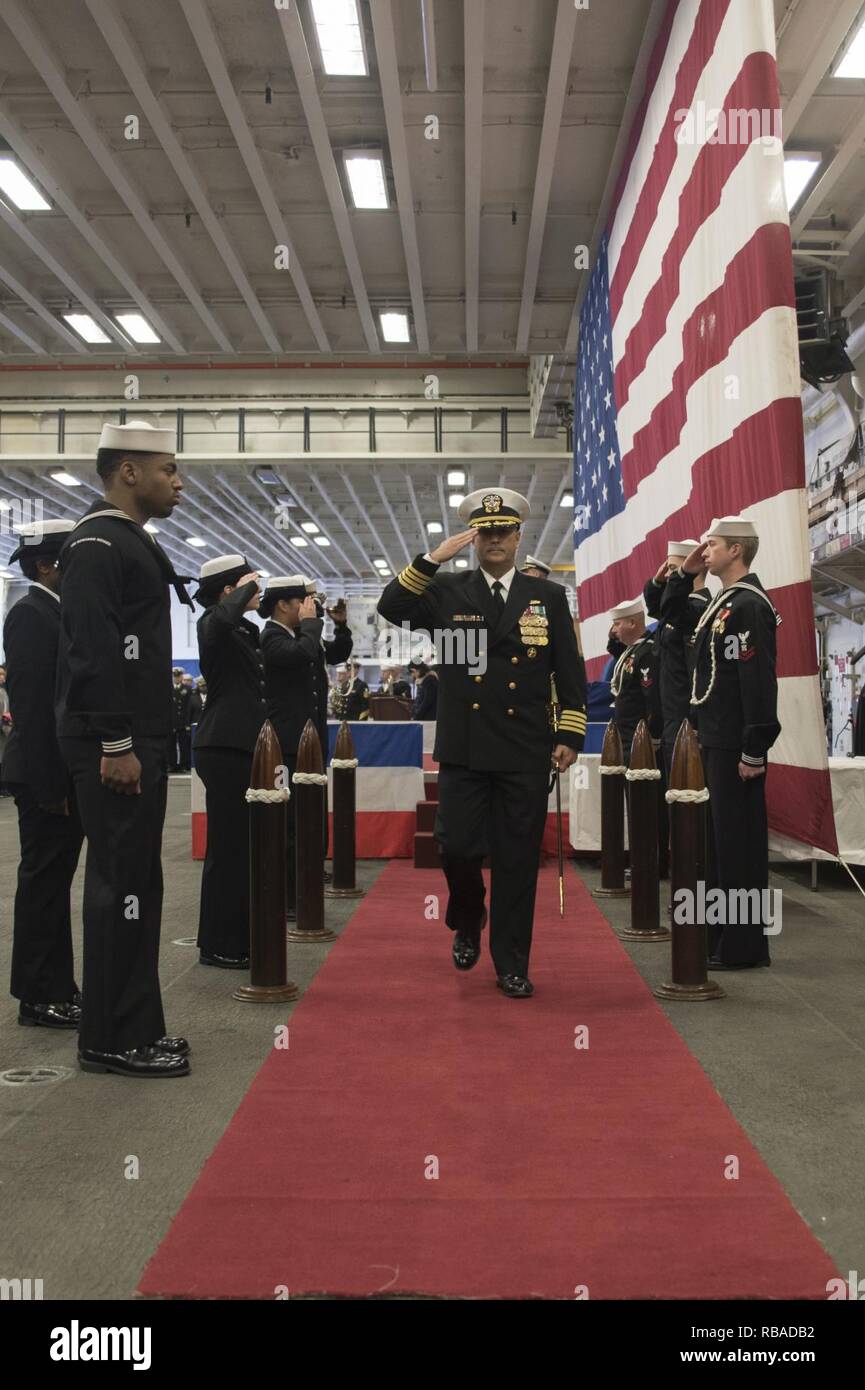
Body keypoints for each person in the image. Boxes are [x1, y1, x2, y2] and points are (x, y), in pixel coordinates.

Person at [378, 487, 587, 998]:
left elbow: (568, 668)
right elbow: (392, 605)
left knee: (517, 859)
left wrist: (569, 733)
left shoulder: (547, 597)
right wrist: (432, 559)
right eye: (485, 532)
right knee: (456, 846)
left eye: (503, 531)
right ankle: (469, 917)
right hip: (465, 746)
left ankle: (512, 962)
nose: (495, 539)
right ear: (474, 539)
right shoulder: (447, 590)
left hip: (524, 747)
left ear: (518, 537)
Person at [55, 418, 192, 1079]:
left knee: (137, 883)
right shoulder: (97, 542)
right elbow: (93, 650)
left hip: (137, 738)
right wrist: (116, 742)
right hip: (118, 744)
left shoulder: (123, 540)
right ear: (129, 472)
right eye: (168, 469)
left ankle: (134, 1025)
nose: (178, 482)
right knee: (120, 887)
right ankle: (112, 1038)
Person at [671, 517, 781, 970]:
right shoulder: (723, 603)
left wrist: (754, 748)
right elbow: (671, 614)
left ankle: (744, 947)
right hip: (715, 739)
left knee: (740, 849)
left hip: (736, 745)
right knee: (718, 848)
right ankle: (721, 939)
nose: (705, 551)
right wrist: (685, 574)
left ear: (736, 550)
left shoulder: (749, 606)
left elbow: (756, 682)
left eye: (712, 544)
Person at [2, 520, 83, 1030]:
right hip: (42, 773)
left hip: (54, 770)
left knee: (54, 883)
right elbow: (33, 708)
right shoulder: (31, 614)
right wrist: (52, 784)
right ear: (48, 566)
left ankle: (58, 985)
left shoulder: (53, 611)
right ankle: (37, 995)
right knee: (44, 885)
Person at [260, 577, 353, 913]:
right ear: (283, 604)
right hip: (285, 744)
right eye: (304, 600)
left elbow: (336, 653)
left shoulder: (302, 635)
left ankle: (307, 875)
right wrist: (313, 624)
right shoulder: (272, 637)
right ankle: (287, 893)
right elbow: (300, 654)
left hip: (308, 742)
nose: (310, 606)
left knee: (309, 813)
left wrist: (339, 626)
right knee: (288, 820)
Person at [193, 554, 264, 969]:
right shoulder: (213, 624)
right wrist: (243, 589)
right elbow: (217, 620)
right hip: (223, 745)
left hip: (243, 744)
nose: (258, 590)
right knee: (227, 847)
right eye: (248, 584)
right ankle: (218, 943)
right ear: (227, 590)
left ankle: (238, 935)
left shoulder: (244, 630)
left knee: (241, 846)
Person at [643, 540, 709, 776]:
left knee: (688, 792)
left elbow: (696, 671)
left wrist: (694, 722)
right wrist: (655, 583)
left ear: (694, 568)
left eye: (674, 569)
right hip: (671, 718)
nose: (670, 576)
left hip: (686, 719)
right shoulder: (680, 611)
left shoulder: (700, 611)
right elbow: (661, 609)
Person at [607, 598, 663, 759]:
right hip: (627, 736)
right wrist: (613, 635)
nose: (614, 629)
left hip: (640, 737)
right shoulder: (632, 649)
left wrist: (653, 736)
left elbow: (652, 698)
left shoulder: (647, 652)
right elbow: (614, 648)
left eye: (617, 624)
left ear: (632, 623)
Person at [169, 668, 191, 772]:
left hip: (183, 722)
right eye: (175, 676)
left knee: (184, 745)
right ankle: (171, 764)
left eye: (178, 676)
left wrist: (187, 722)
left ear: (182, 677)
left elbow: (189, 707)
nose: (177, 678)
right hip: (172, 722)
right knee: (170, 745)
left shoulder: (187, 689)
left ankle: (183, 765)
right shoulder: (168, 689)